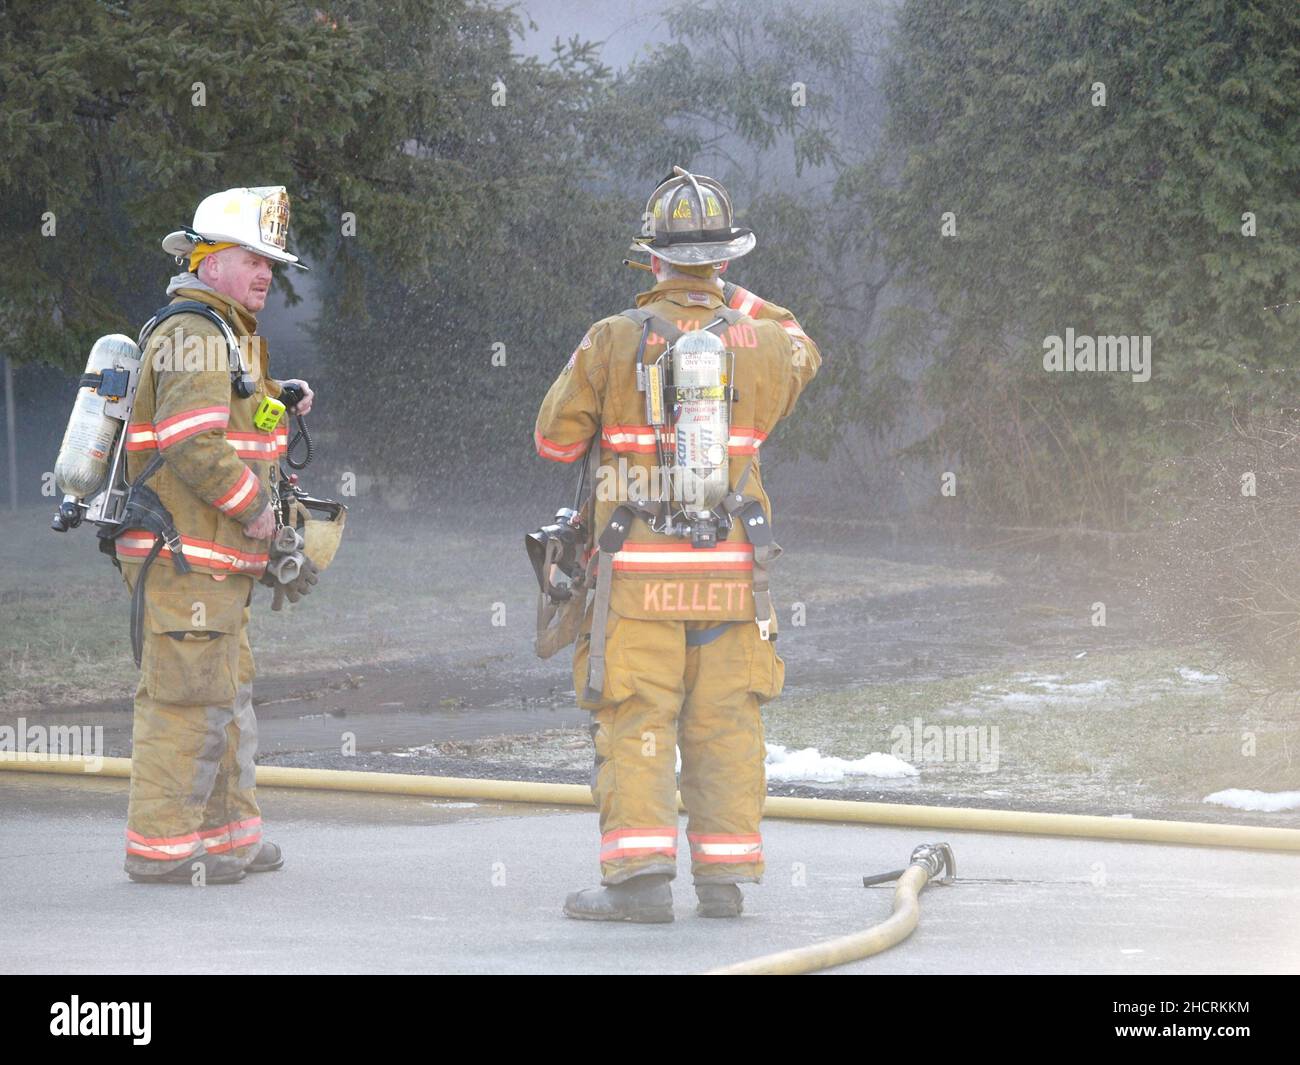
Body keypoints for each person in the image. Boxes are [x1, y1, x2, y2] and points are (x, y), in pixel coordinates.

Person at [534, 167, 822, 921]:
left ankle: (640, 883)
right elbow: (803, 342)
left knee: (637, 716)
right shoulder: (762, 344)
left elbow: (553, 440)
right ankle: (724, 884)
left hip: (637, 579)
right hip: (733, 576)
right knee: (726, 720)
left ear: (650, 259)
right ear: (725, 264)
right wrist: (729, 298)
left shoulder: (610, 339)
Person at [117, 186, 316, 884]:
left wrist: (276, 400)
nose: (266, 272)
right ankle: (160, 850)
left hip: (212, 560)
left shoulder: (226, 335)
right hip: (182, 555)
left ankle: (231, 840)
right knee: (183, 700)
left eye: (271, 261)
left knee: (224, 696)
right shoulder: (195, 334)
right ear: (207, 263)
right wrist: (257, 510)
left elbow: (229, 419)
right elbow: (191, 442)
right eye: (251, 258)